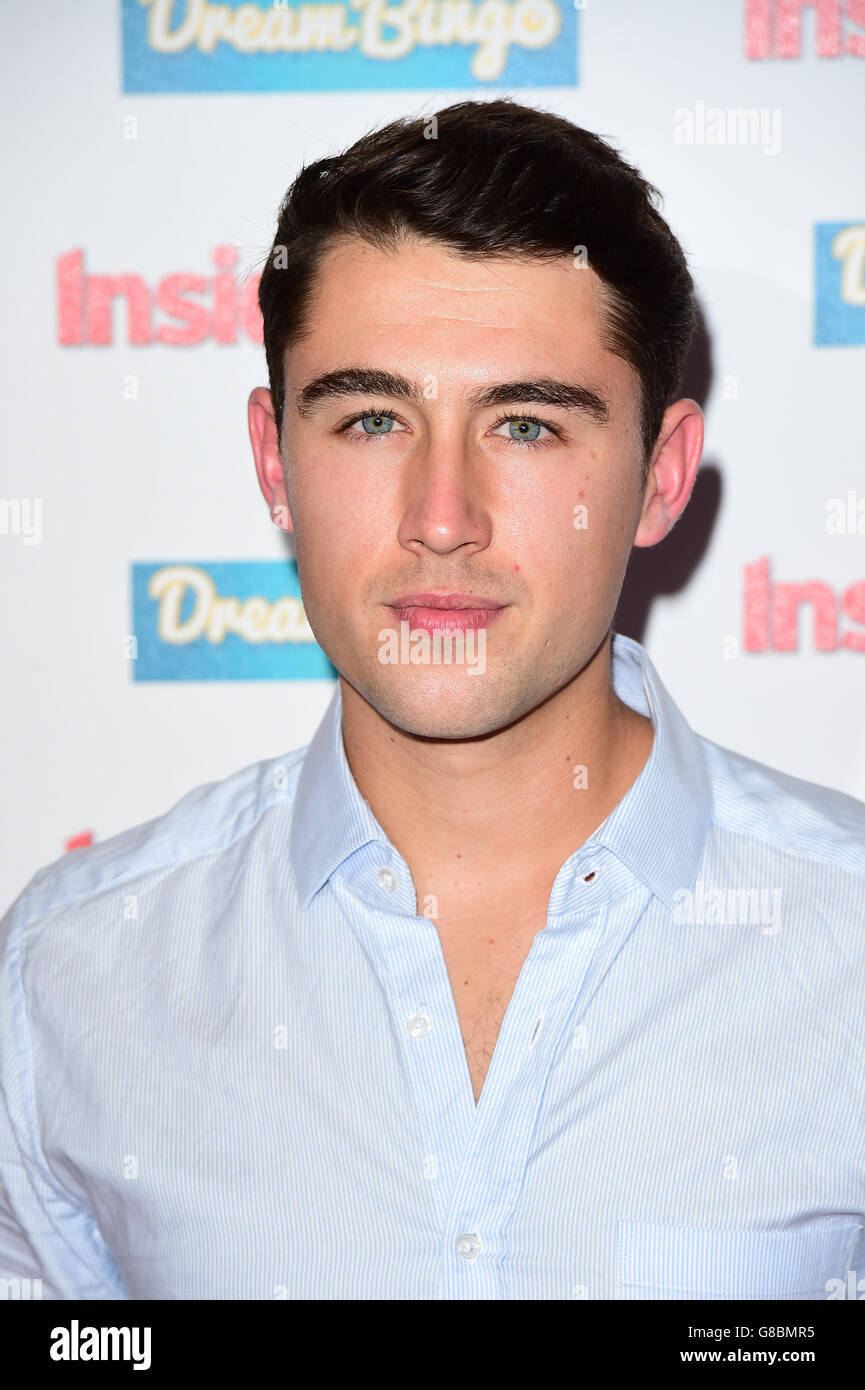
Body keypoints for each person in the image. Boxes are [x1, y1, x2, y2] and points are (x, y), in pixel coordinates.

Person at [2, 99, 863, 1302]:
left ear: (659, 478)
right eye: (370, 419)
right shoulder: (67, 980)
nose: (441, 515)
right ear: (274, 462)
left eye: (524, 422)